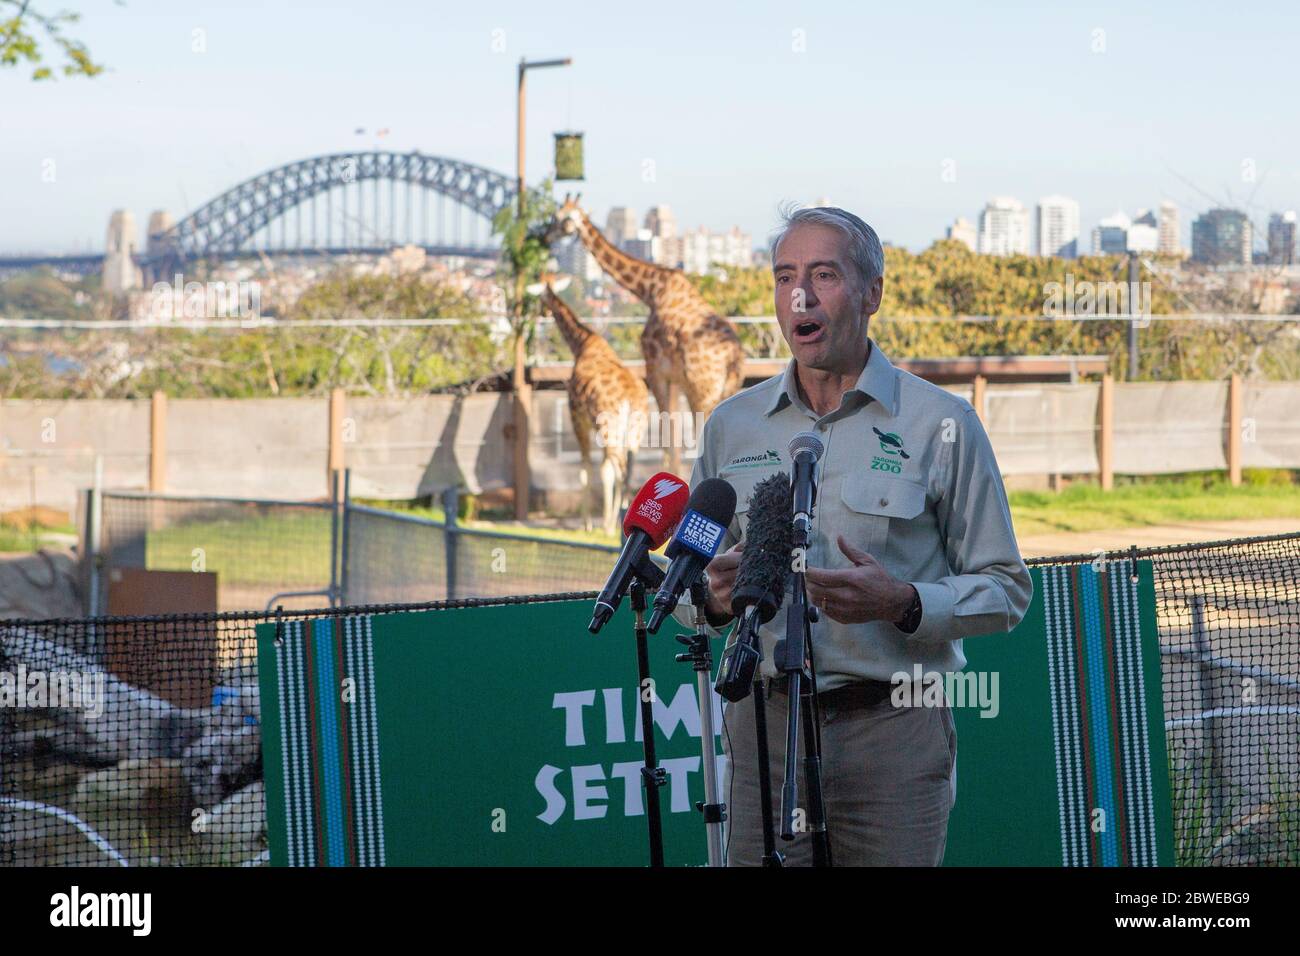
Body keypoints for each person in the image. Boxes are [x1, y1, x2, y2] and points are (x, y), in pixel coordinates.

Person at [676, 205, 1032, 866]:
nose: (800, 296)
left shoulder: (943, 424)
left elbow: (1006, 589)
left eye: (823, 275)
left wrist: (903, 602)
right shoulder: (731, 427)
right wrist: (714, 598)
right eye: (785, 278)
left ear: (872, 292)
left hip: (892, 732)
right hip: (765, 733)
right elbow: (686, 585)